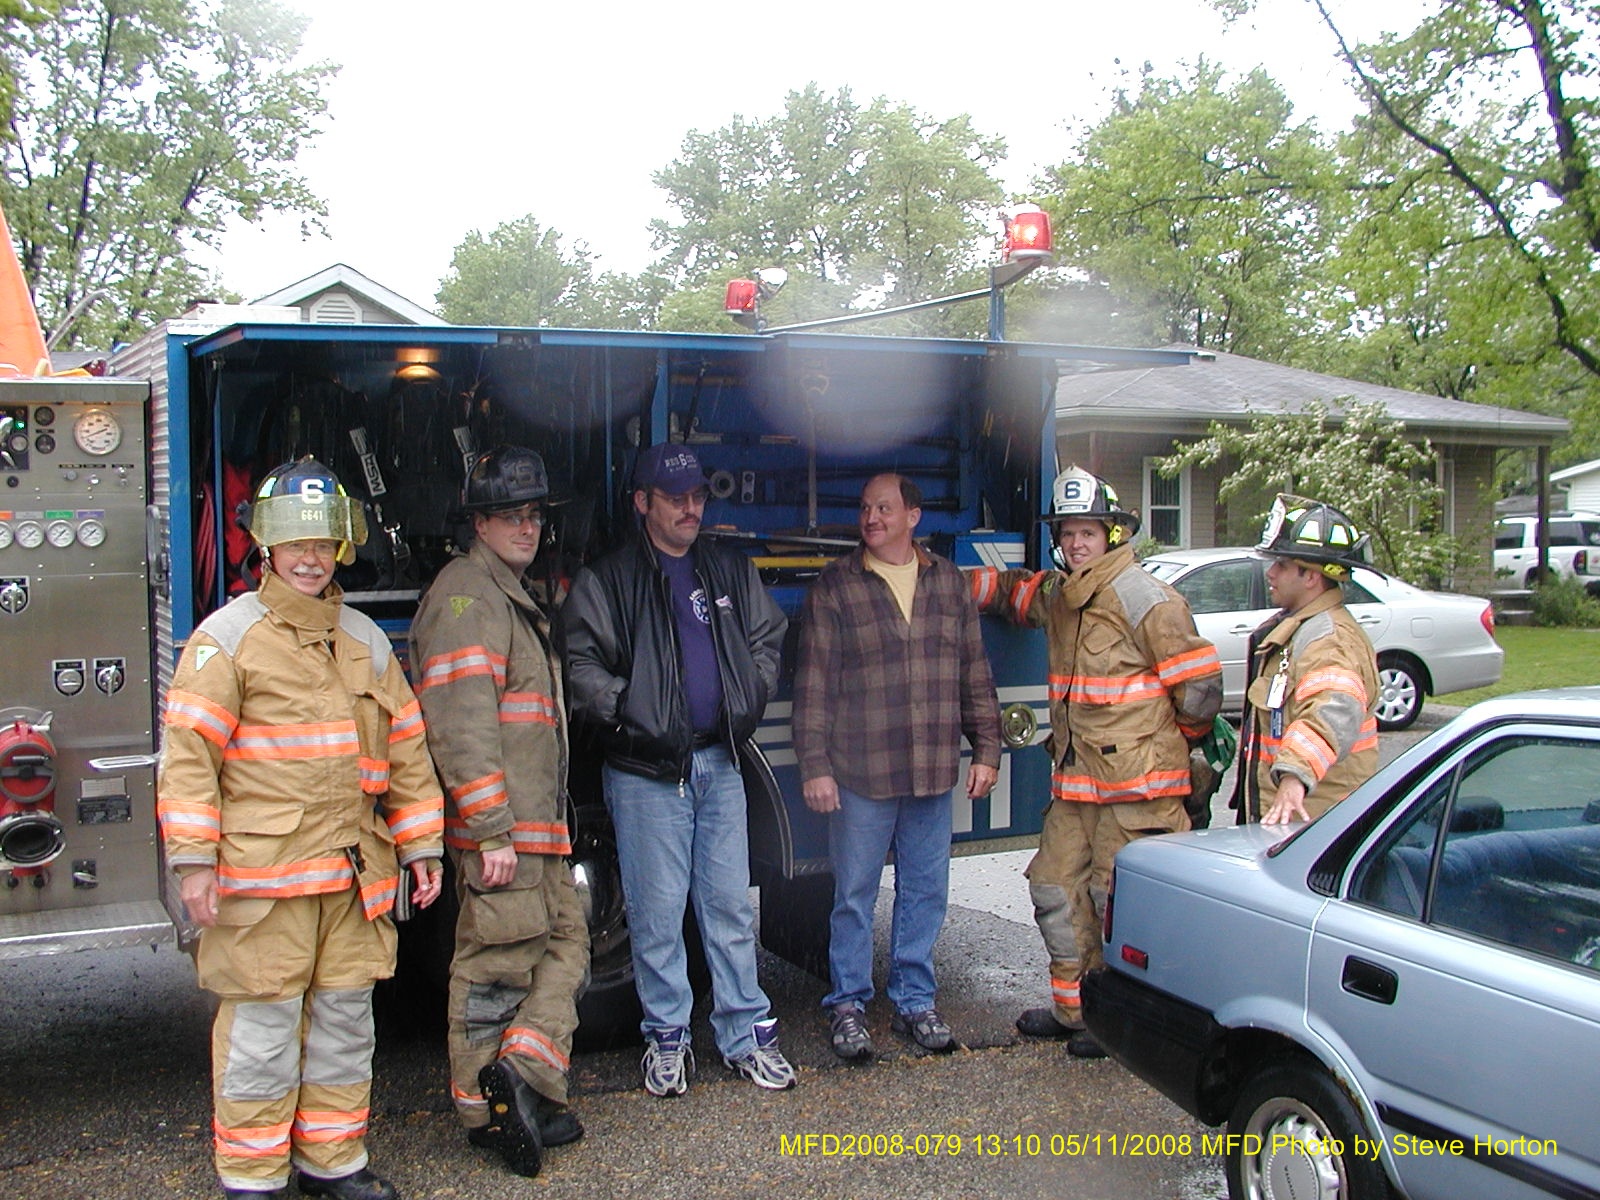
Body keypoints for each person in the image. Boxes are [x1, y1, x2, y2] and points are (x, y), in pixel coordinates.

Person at [157, 458, 445, 1200]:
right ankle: (253, 1177)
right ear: (266, 549)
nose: (311, 558)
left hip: (354, 883)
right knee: (262, 1033)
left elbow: (408, 750)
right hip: (263, 887)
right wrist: (192, 866)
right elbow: (189, 759)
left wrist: (422, 845)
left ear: (343, 546)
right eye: (295, 544)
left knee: (347, 1029)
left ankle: (332, 1163)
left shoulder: (364, 641)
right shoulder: (228, 641)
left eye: (323, 543)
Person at [559, 443, 795, 1095]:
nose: (691, 508)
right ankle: (667, 1040)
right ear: (642, 503)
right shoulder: (608, 579)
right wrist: (634, 713)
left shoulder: (726, 568)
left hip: (719, 763)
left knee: (728, 908)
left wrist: (749, 693)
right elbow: (579, 665)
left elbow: (766, 638)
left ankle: (744, 1035)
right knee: (658, 914)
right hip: (643, 775)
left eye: (697, 496)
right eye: (675, 498)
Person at [968, 466, 1221, 1058]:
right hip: (1079, 784)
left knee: (1119, 905)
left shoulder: (1144, 598)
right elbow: (1012, 594)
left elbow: (1200, 692)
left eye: (1089, 531)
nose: (1077, 542)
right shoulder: (1063, 594)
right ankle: (1075, 1011)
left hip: (1141, 791)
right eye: (1069, 533)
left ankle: (1125, 1024)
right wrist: (935, 581)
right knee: (1055, 887)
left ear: (1111, 533)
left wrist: (1169, 751)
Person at [409, 446, 589, 1179]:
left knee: (564, 949)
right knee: (495, 969)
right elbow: (461, 724)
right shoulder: (466, 598)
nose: (527, 526)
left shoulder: (507, 593)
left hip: (537, 833)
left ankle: (524, 1079)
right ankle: (487, 1117)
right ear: (477, 521)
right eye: (511, 515)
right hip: (503, 835)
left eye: (535, 514)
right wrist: (487, 831)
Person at [793, 474, 1002, 1061]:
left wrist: (987, 749)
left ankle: (915, 1001)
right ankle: (848, 1005)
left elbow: (974, 673)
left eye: (883, 508)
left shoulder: (948, 583)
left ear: (914, 515)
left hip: (932, 770)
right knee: (854, 893)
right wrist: (816, 766)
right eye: (864, 509)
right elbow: (814, 689)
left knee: (925, 891)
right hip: (862, 773)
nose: (871, 518)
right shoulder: (836, 587)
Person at [1234, 494, 1380, 826]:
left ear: (1312, 576)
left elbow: (1332, 710)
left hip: (1316, 824)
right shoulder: (1299, 630)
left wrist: (1294, 776)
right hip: (1295, 822)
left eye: (1282, 565)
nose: (1270, 572)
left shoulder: (1328, 640)